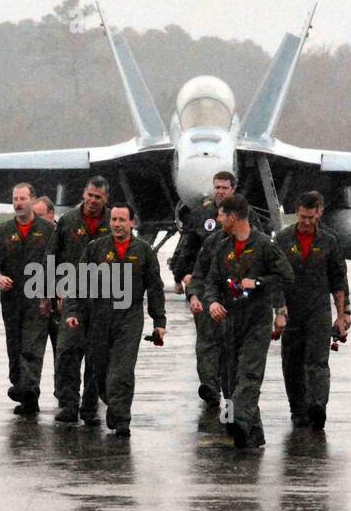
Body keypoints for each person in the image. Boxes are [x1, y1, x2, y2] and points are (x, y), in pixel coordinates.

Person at [201, 194, 295, 449]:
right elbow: (211, 281)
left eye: (221, 215)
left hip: (256, 320)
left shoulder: (264, 245)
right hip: (230, 321)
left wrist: (259, 283)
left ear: (233, 217)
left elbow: (286, 276)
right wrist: (213, 303)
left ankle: (237, 419)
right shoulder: (222, 247)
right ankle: (252, 434)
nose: (218, 219)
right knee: (231, 379)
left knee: (249, 374)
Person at [66, 203, 166, 436]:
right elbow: (79, 282)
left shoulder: (144, 251)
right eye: (114, 220)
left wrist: (159, 322)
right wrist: (73, 311)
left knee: (121, 371)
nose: (117, 224)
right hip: (98, 317)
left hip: (129, 318)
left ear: (132, 222)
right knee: (99, 370)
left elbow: (155, 287)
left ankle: (121, 420)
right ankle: (113, 403)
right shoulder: (96, 249)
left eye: (122, 220)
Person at [273, 191, 350, 430]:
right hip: (291, 310)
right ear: (297, 212)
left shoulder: (330, 241)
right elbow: (275, 278)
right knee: (292, 363)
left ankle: (318, 406)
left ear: (320, 213)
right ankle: (298, 410)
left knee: (318, 361)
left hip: (318, 310)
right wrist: (279, 310)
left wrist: (342, 315)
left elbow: (339, 280)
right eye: (302, 216)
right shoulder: (282, 240)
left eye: (311, 217)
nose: (306, 222)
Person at [0, 182, 56, 416]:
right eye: (15, 199)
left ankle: (29, 392)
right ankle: (21, 387)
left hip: (37, 299)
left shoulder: (48, 230)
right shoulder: (2, 231)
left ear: (32, 200)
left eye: (22, 199)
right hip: (12, 299)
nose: (18, 203)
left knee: (32, 348)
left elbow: (59, 261)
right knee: (14, 348)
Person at [48, 176, 111, 424]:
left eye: (98, 197)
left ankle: (89, 408)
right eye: (90, 195)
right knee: (67, 352)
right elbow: (51, 256)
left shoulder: (113, 222)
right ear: (84, 194)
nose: (93, 201)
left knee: (96, 355)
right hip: (72, 298)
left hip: (102, 300)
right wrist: (53, 291)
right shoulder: (68, 221)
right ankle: (68, 405)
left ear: (106, 198)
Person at [171, 170, 237, 407]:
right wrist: (182, 276)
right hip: (206, 287)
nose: (220, 192)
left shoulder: (245, 215)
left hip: (235, 290)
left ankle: (228, 387)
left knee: (230, 342)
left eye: (224, 188)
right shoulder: (200, 215)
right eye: (217, 187)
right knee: (207, 340)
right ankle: (209, 385)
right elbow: (187, 249)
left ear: (233, 189)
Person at [32, 195, 61, 363]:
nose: (37, 220)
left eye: (40, 216)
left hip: (60, 302)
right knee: (33, 353)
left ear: (52, 214)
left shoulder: (64, 234)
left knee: (62, 352)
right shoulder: (33, 236)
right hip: (37, 303)